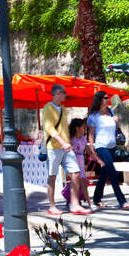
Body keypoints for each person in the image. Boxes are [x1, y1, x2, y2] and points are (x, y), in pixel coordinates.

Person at [42, 84, 89, 216]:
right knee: (52, 176)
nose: (65, 95)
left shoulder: (63, 109)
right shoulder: (47, 108)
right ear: (57, 94)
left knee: (76, 173)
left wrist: (70, 141)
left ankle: (74, 204)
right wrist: (62, 142)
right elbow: (49, 127)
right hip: (53, 148)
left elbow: (64, 128)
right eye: (63, 93)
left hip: (66, 148)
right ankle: (52, 206)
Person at [87, 91, 129, 210]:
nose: (108, 100)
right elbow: (91, 134)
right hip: (101, 147)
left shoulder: (111, 112)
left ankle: (96, 199)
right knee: (112, 171)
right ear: (100, 100)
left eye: (108, 98)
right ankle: (122, 201)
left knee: (104, 173)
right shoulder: (93, 116)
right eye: (106, 98)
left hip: (112, 146)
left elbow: (115, 129)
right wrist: (92, 149)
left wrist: (116, 123)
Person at [61, 118, 97, 211]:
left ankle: (81, 202)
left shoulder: (83, 139)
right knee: (80, 183)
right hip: (73, 162)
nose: (84, 129)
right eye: (83, 127)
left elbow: (88, 150)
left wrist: (94, 156)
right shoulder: (70, 139)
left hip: (80, 162)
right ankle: (81, 203)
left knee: (83, 184)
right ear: (77, 128)